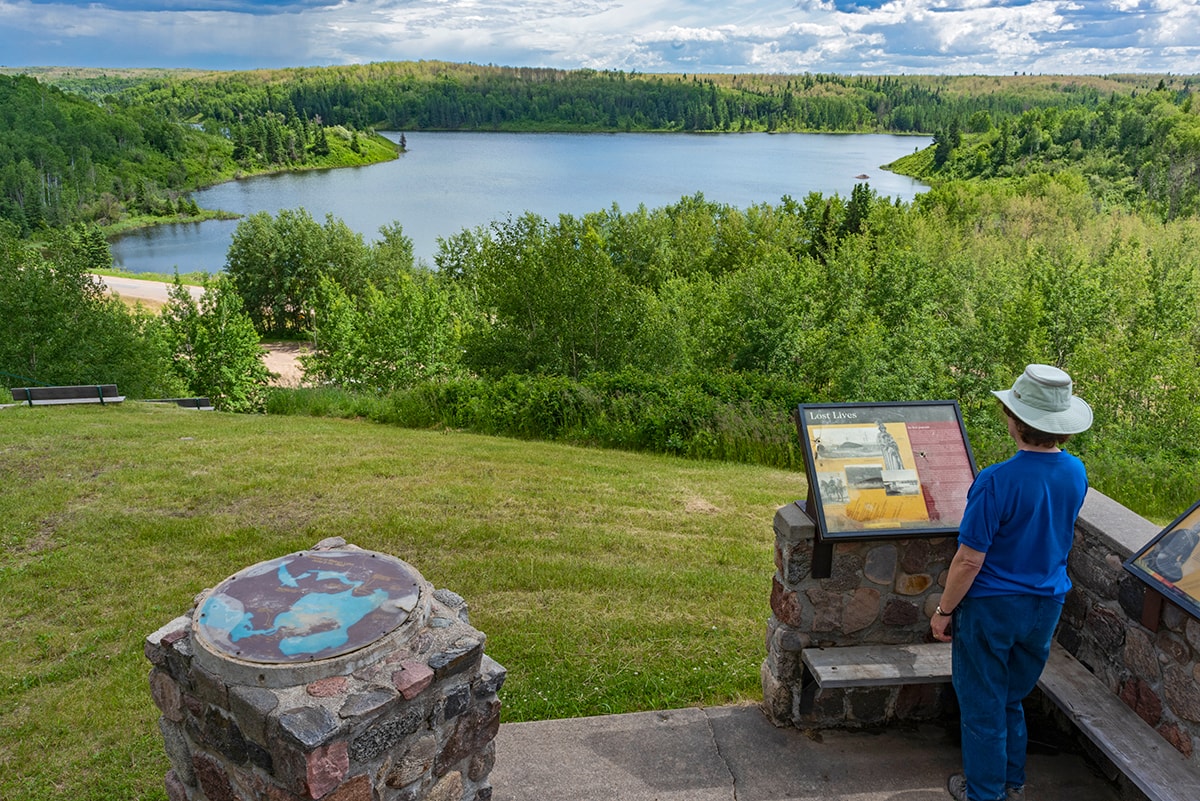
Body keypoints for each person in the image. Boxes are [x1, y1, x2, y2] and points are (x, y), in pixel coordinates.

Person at [931, 364, 1092, 801]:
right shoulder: (1076, 472)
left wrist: (944, 612)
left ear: (1014, 419)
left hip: (992, 607)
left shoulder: (996, 480)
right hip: (1046, 604)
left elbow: (968, 559)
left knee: (982, 705)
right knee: (1011, 697)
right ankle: (1011, 781)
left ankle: (984, 793)